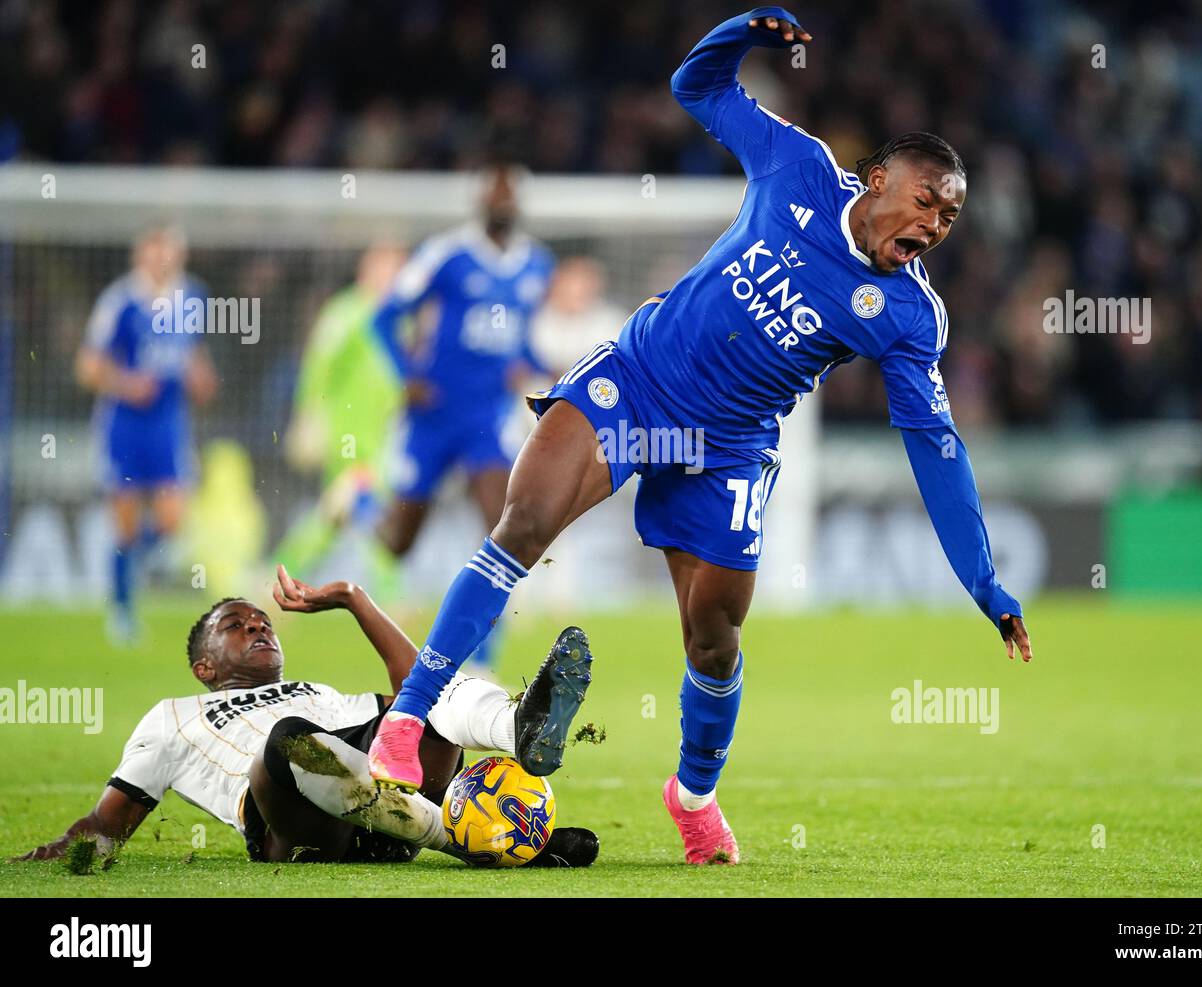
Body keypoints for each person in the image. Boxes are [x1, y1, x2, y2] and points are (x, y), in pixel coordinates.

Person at [367, 8, 1033, 866]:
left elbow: (935, 448)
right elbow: (698, 86)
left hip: (727, 448)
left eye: (950, 216)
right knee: (520, 526)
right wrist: (741, 32)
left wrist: (983, 580)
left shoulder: (908, 316)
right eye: (925, 199)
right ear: (873, 181)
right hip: (638, 384)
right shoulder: (796, 167)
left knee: (714, 638)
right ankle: (407, 720)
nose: (936, 223)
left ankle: (694, 795)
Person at [17, 566, 596, 867]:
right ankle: (472, 835)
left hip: (387, 808)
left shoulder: (314, 690)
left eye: (262, 621)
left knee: (421, 698)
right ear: (203, 667)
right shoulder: (171, 717)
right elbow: (108, 824)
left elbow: (411, 693)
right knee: (287, 739)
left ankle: (513, 726)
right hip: (299, 831)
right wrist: (55, 856)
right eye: (236, 625)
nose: (257, 626)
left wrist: (352, 598)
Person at [372, 163, 555, 667]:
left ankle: (482, 654)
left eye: (509, 194)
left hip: (487, 418)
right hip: (432, 415)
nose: (502, 203)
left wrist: (541, 368)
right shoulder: (446, 254)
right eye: (494, 193)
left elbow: (517, 341)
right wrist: (405, 373)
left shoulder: (536, 264)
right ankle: (363, 507)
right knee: (398, 544)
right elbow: (384, 318)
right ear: (480, 201)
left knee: (503, 525)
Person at [75, 225, 217, 643]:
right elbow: (87, 366)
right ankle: (121, 612)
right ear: (141, 255)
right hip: (124, 424)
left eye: (171, 252)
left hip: (169, 423)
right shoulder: (120, 301)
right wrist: (126, 383)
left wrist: (200, 375)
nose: (164, 260)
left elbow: (190, 350)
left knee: (173, 521)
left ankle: (129, 568)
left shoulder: (193, 296)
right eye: (156, 252)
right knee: (125, 522)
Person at [275, 241, 407, 594]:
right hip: (346, 433)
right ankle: (393, 594)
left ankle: (279, 575)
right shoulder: (345, 311)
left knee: (334, 517)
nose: (393, 277)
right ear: (367, 270)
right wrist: (308, 415)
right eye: (387, 268)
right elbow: (318, 363)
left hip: (381, 433)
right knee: (371, 507)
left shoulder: (397, 319)